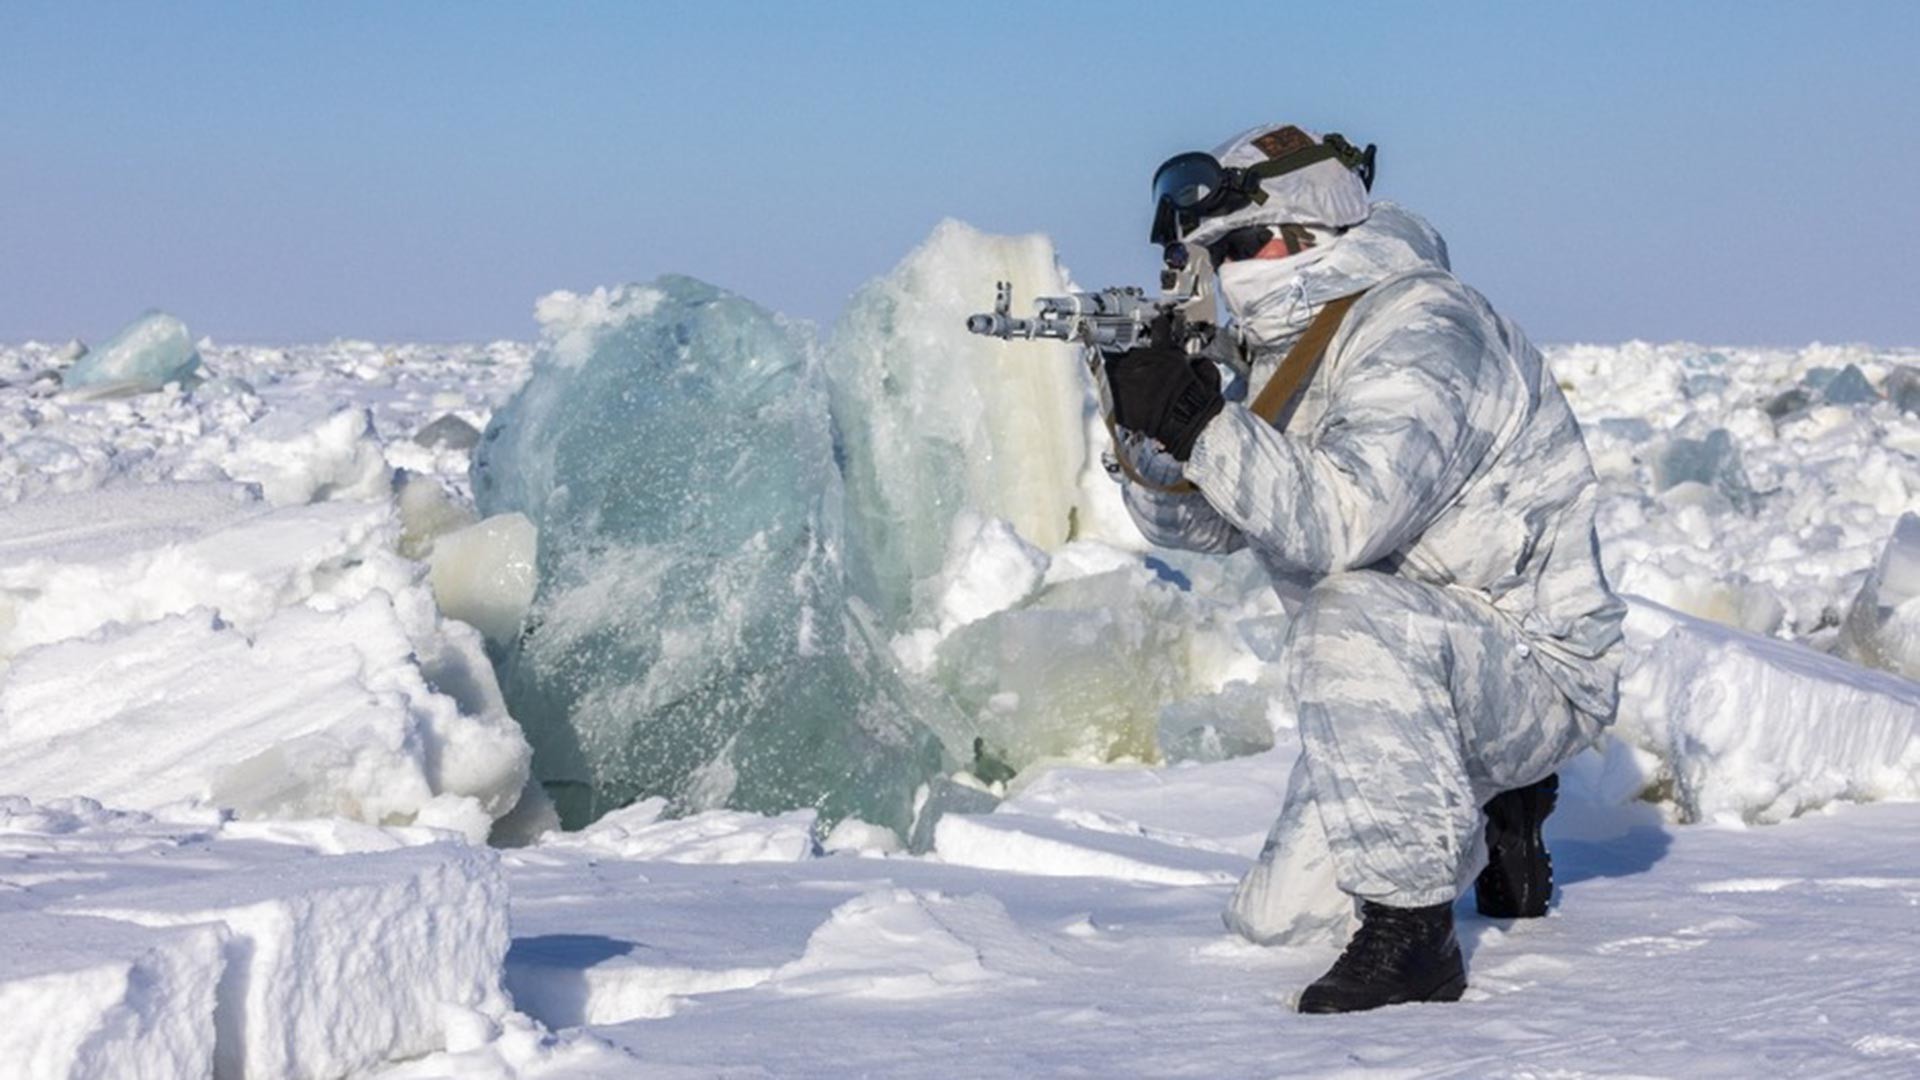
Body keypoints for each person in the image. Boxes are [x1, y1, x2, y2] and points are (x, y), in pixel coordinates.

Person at [1104, 123, 1626, 1014]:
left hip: (1530, 667)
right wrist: (1147, 433)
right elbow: (1207, 522)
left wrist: (1201, 423)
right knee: (1274, 923)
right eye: (1217, 255)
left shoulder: (1426, 326)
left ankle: (1413, 936)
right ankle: (1494, 809)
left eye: (1247, 243)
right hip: (1397, 685)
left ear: (1314, 232)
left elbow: (1343, 520)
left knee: (1346, 609)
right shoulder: (1282, 348)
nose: (1233, 272)